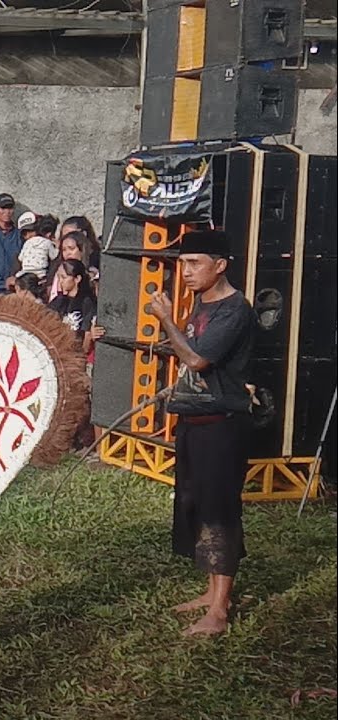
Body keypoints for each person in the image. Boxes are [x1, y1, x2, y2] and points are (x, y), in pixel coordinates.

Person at [145, 229, 256, 637]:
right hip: (194, 421)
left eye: (195, 263)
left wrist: (166, 320)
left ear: (220, 265)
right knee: (197, 507)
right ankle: (211, 594)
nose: (186, 271)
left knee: (220, 512)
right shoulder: (202, 304)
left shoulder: (234, 309)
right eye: (183, 263)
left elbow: (195, 358)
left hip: (221, 428)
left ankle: (220, 611)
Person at [48, 260, 104, 355]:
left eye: (64, 277)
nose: (60, 281)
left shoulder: (86, 302)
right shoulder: (58, 302)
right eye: (59, 277)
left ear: (77, 278)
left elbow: (87, 335)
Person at [16, 214, 60, 286]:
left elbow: (20, 258)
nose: (29, 235)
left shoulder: (27, 243)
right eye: (24, 234)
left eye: (31, 231)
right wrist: (58, 248)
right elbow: (54, 256)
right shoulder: (47, 243)